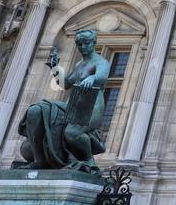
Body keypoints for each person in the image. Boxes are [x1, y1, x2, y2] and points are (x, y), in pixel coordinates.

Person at [14, 29, 109, 174]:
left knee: (72, 133)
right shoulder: (79, 65)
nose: (83, 47)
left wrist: (92, 78)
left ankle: (89, 160)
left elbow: (102, 76)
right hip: (73, 105)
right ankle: (39, 160)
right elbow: (65, 84)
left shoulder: (100, 62)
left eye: (87, 43)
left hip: (91, 105)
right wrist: (55, 68)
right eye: (80, 44)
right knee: (36, 110)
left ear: (94, 43)